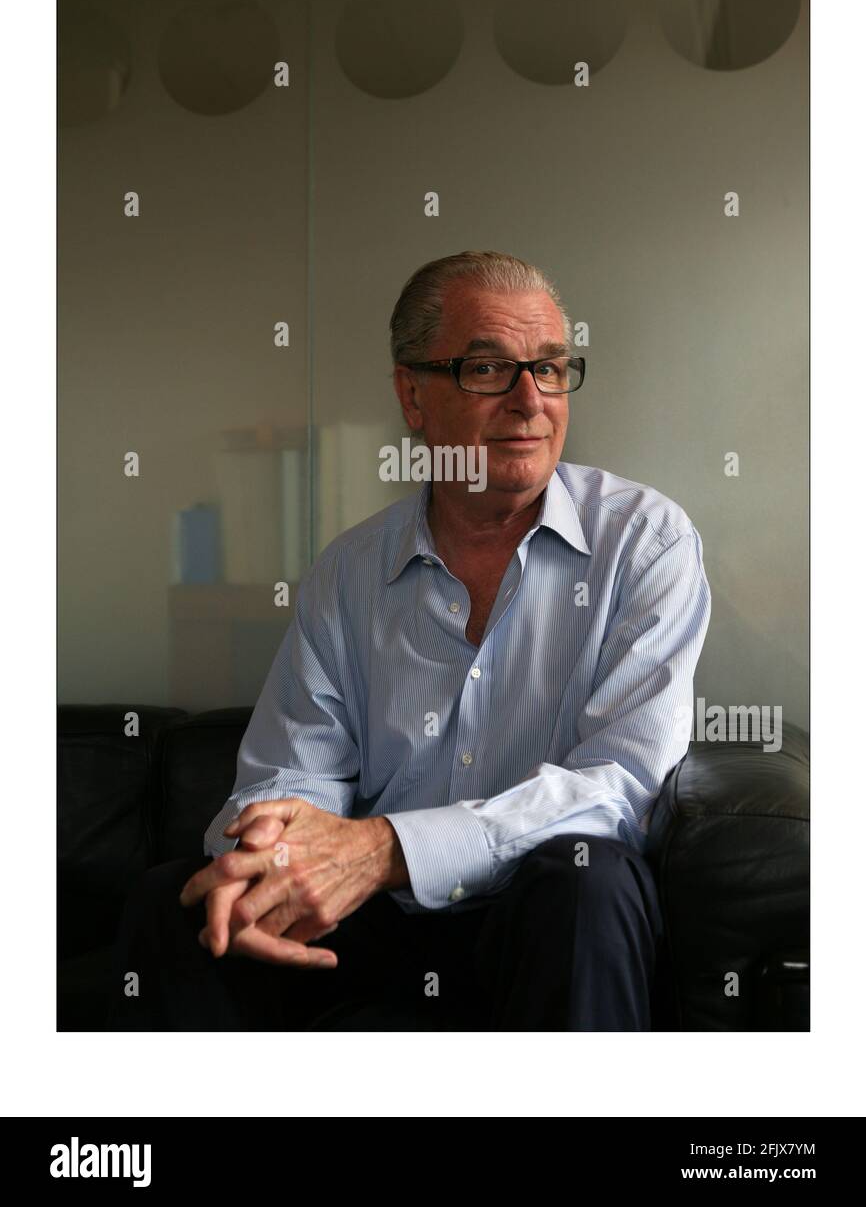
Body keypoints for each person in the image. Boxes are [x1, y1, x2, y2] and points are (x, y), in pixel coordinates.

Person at [106, 249, 711, 1031]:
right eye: (490, 368)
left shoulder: (646, 542)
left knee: (587, 883)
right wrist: (267, 847)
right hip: (375, 925)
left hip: (541, 911)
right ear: (413, 396)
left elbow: (621, 788)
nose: (531, 401)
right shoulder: (349, 571)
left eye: (552, 368)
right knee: (178, 901)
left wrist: (386, 848)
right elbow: (293, 765)